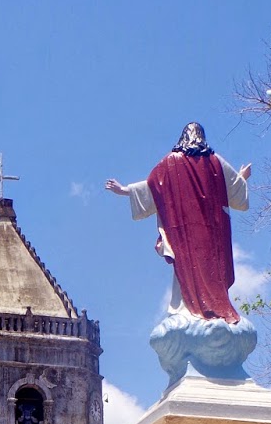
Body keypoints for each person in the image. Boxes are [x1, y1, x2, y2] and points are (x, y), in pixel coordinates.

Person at [106, 123, 251, 323]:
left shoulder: (172, 161)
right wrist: (243, 178)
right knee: (208, 268)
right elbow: (235, 189)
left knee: (188, 267)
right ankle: (201, 310)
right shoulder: (214, 161)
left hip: (184, 234)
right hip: (208, 234)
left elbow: (151, 187)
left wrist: (125, 190)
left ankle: (190, 310)